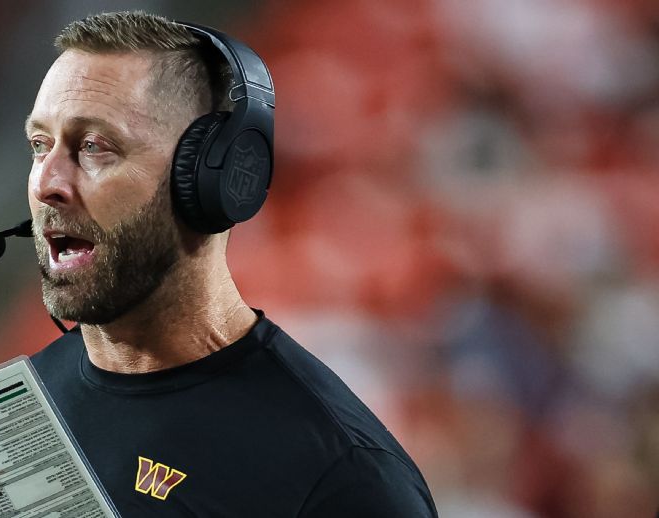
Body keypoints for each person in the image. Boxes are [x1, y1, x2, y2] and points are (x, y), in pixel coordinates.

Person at [25, 11, 437, 516]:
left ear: (207, 178)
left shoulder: (344, 480)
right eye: (39, 146)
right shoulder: (21, 406)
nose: (46, 183)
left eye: (94, 147)